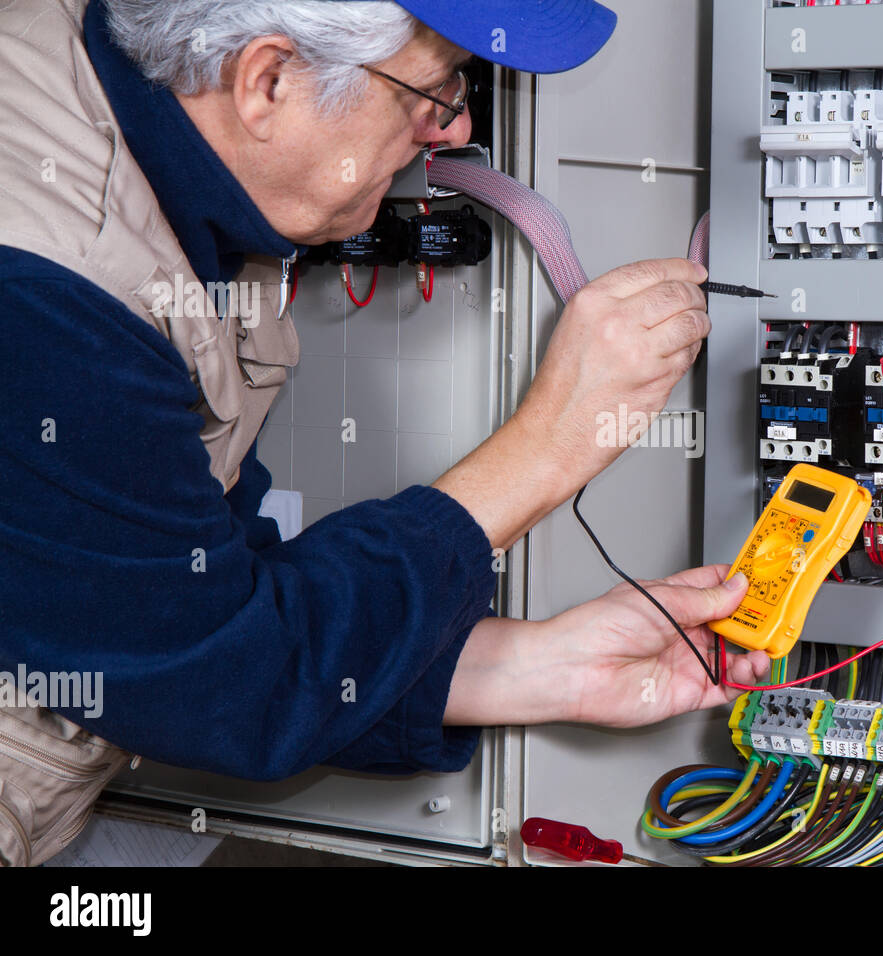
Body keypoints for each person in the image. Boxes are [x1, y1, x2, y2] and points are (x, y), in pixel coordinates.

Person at [0, 0, 769, 784]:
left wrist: (553, 666)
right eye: (434, 91)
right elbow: (226, 687)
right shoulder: (45, 295)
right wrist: (547, 448)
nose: (456, 131)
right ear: (268, 81)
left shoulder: (152, 147)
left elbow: (235, 616)